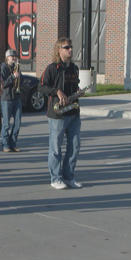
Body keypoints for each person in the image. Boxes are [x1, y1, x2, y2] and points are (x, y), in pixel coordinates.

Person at [39, 38, 83, 190]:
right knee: (56, 148)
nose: (70, 50)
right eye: (67, 47)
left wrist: (77, 93)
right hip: (57, 114)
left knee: (75, 146)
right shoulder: (52, 68)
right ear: (59, 50)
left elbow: (74, 85)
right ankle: (55, 178)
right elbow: (42, 87)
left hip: (73, 111)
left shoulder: (74, 68)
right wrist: (56, 91)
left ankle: (69, 177)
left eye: (71, 47)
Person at [0, 49, 23, 152]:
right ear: (7, 58)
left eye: (14, 56)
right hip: (7, 98)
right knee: (6, 123)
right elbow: (3, 84)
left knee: (18, 122)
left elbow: (20, 80)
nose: (13, 58)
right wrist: (13, 76)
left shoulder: (16, 67)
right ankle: (5, 144)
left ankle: (13, 143)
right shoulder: (3, 67)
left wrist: (19, 75)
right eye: (11, 56)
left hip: (16, 97)